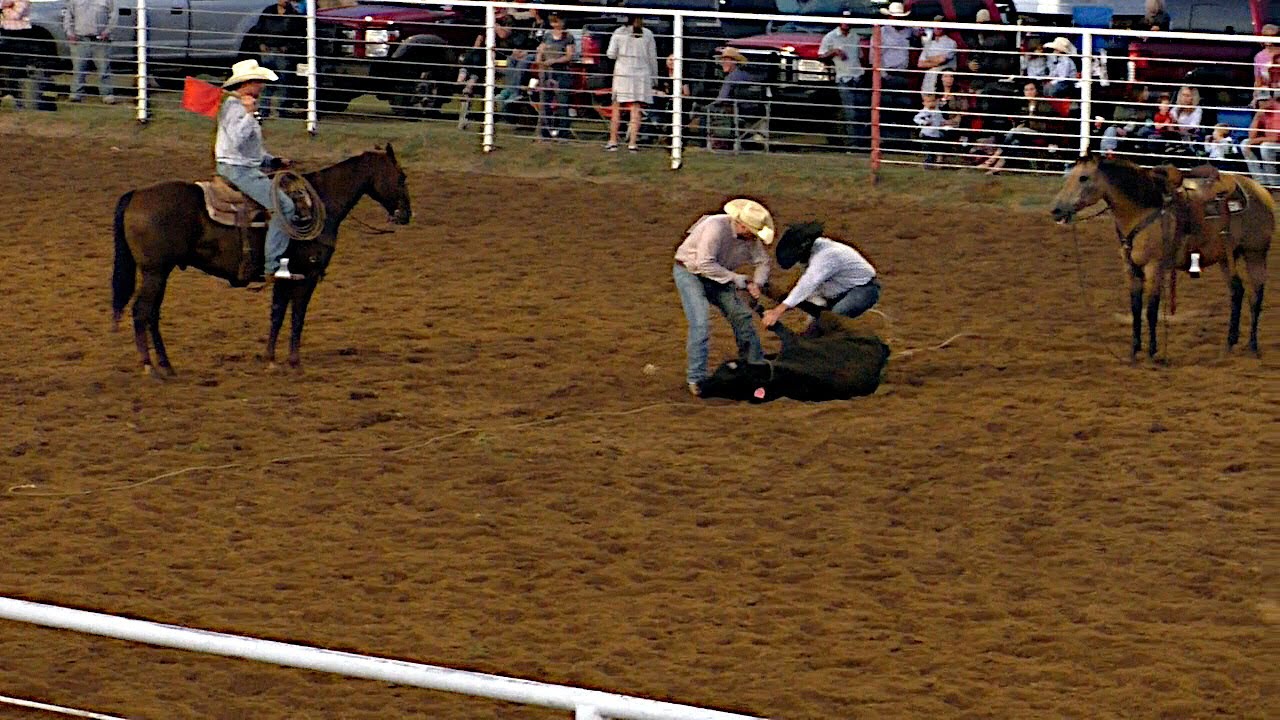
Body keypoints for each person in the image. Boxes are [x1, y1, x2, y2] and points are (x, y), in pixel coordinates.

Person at [673, 198, 775, 397]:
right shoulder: (715, 227)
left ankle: (754, 365)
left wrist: (758, 283)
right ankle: (697, 378)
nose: (755, 238)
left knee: (742, 316)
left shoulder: (749, 238)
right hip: (690, 273)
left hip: (720, 276)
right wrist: (738, 279)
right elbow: (704, 264)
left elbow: (763, 261)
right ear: (741, 225)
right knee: (700, 323)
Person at [215, 59, 302, 282]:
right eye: (258, 82)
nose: (262, 87)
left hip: (241, 164)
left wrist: (271, 160)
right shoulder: (235, 107)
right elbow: (238, 140)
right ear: (247, 83)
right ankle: (273, 266)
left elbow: (250, 147)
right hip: (237, 169)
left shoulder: (238, 106)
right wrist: (249, 114)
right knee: (284, 206)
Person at [763, 222, 879, 333]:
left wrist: (778, 310)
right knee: (817, 321)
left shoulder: (826, 256)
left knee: (833, 319)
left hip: (862, 289)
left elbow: (808, 283)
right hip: (837, 289)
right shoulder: (817, 248)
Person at [605, 15, 658, 153]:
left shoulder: (619, 32)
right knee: (635, 109)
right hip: (641, 74)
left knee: (617, 107)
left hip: (623, 73)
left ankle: (613, 141)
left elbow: (610, 54)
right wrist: (654, 78)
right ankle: (633, 143)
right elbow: (652, 57)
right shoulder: (648, 34)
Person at [819, 10, 866, 150]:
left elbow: (859, 56)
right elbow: (821, 55)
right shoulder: (831, 37)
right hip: (844, 77)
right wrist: (834, 52)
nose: (846, 22)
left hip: (857, 76)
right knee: (850, 112)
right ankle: (854, 143)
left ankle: (859, 141)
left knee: (860, 111)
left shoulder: (855, 37)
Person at [251, 0, 304, 119]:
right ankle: (264, 110)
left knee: (284, 83)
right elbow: (259, 29)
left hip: (283, 54)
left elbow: (297, 36)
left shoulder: (294, 16)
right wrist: (261, 44)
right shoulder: (268, 12)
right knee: (266, 83)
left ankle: (281, 110)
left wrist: (288, 47)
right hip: (267, 51)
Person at [0, 0, 52, 110]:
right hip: (7, 34)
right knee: (7, 69)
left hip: (21, 34)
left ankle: (20, 100)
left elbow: (15, 15)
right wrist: (8, 6)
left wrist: (4, 9)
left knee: (17, 69)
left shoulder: (23, 1)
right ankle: (10, 95)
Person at [64, 0, 118, 104]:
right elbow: (68, 16)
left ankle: (107, 94)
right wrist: (69, 32)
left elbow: (114, 15)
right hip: (80, 39)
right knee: (78, 69)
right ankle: (76, 93)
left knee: (104, 69)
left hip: (101, 40)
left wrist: (107, 31)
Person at [533, 12, 575, 141]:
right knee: (545, 103)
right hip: (546, 72)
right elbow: (541, 50)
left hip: (562, 73)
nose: (556, 24)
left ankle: (563, 133)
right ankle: (545, 133)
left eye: (558, 21)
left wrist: (555, 61)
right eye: (554, 22)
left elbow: (569, 55)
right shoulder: (547, 36)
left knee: (563, 103)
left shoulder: (568, 37)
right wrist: (539, 60)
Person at [1243, 92, 1280, 187]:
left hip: (1276, 142)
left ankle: (1274, 183)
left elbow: (1276, 137)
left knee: (1266, 147)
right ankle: (1260, 181)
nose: (1262, 103)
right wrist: (1257, 117)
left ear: (1272, 100)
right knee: (1244, 143)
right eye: (1260, 100)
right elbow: (1251, 136)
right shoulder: (1262, 112)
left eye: (1265, 100)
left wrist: (1255, 141)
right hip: (1270, 142)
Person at [916, 16, 956, 96]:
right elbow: (920, 64)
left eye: (940, 25)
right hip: (929, 78)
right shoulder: (929, 44)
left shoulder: (951, 43)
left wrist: (928, 59)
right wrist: (936, 61)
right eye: (935, 25)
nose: (937, 28)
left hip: (943, 79)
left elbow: (942, 60)